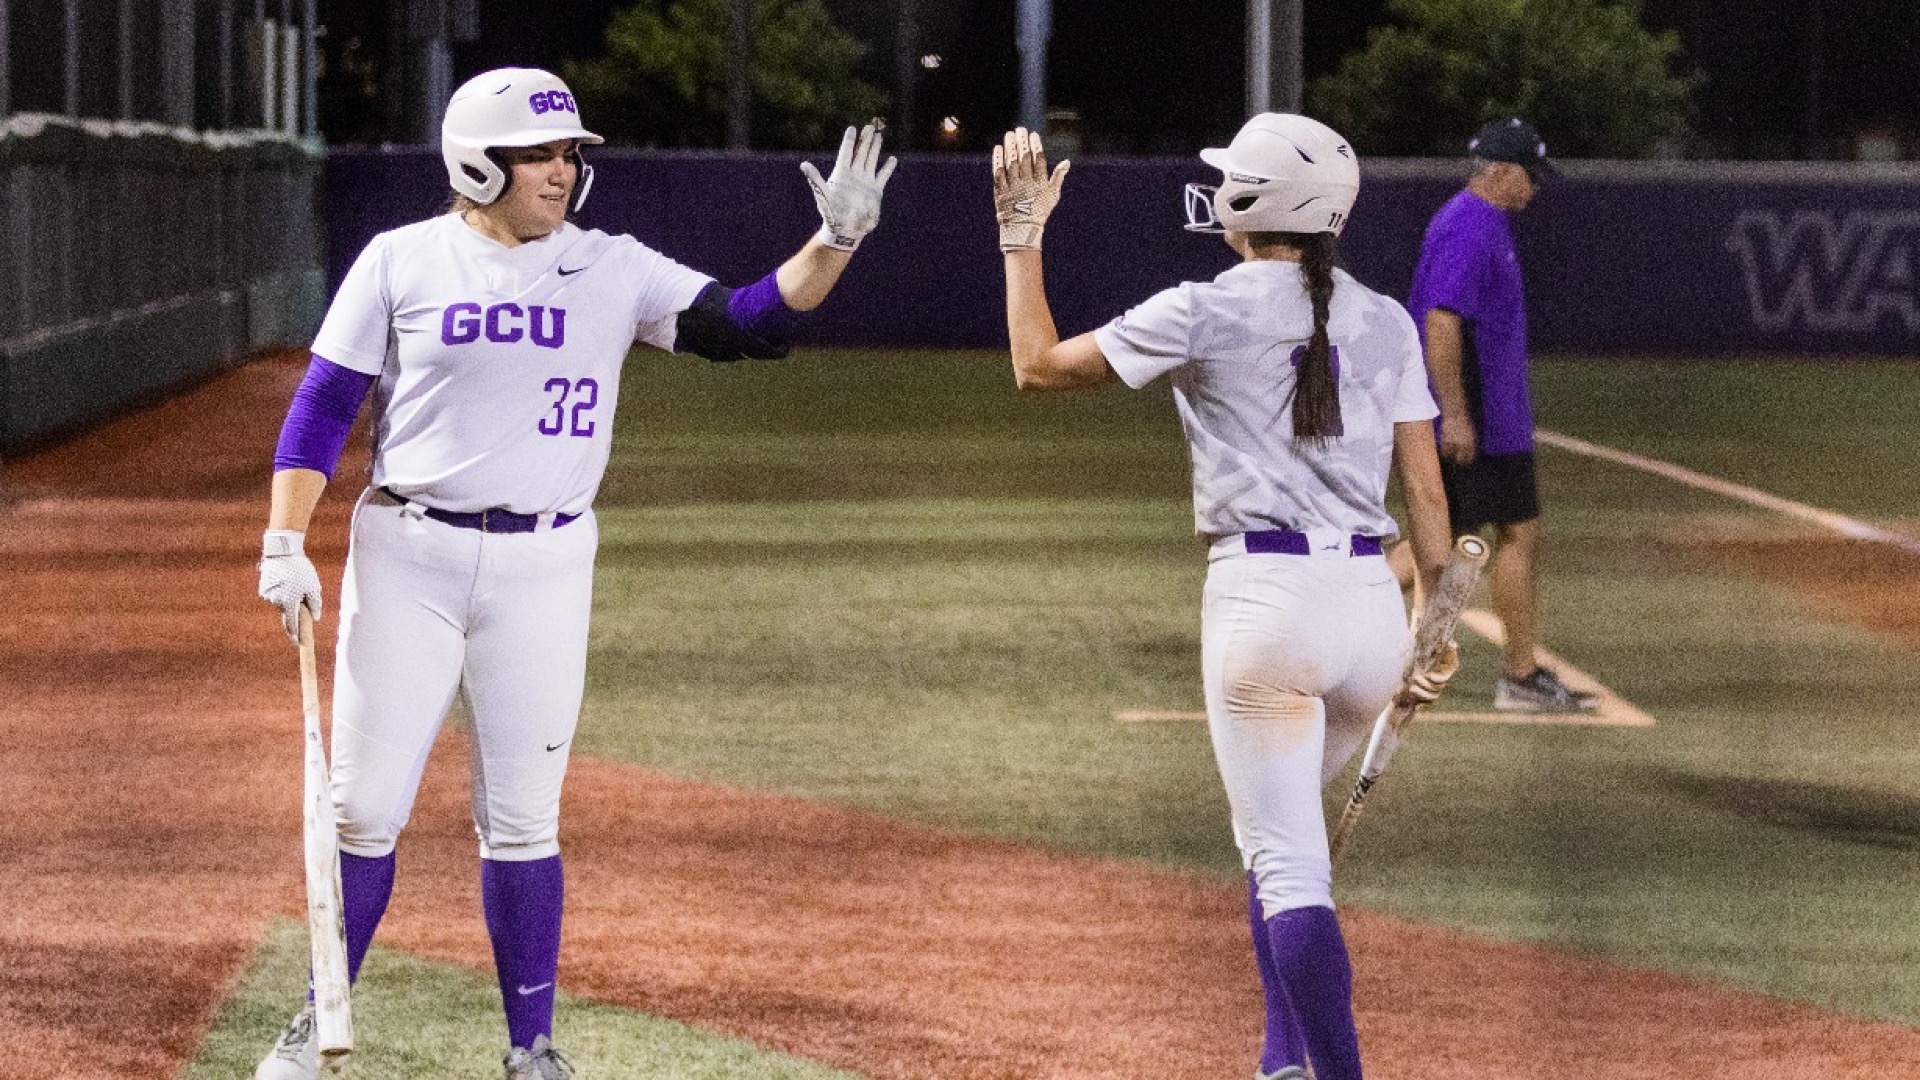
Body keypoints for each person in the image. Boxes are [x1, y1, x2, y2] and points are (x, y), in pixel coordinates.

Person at [252, 67, 895, 1080]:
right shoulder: (401, 261)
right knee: (363, 809)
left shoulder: (611, 266)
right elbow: (323, 407)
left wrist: (838, 240)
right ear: (478, 161)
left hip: (545, 563)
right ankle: (314, 1018)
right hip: (409, 552)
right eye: (543, 154)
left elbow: (750, 327)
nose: (565, 170)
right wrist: (284, 543)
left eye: (570, 154)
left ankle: (531, 1049)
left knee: (523, 821)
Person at [989, 115, 1453, 1080]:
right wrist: (1434, 632)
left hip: (1265, 608)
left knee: (1290, 867)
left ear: (1251, 204)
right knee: (1273, 838)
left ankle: (1333, 1072)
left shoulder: (1202, 307)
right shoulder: (1388, 318)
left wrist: (1021, 236)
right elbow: (1430, 500)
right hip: (1369, 607)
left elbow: (1035, 365)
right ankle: (1282, 1060)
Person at [1399, 117, 1596, 713]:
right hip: (1478, 414)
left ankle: (1507, 671)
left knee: (1483, 535)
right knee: (1461, 540)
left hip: (1495, 413)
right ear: (1503, 170)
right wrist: (1455, 415)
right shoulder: (1470, 225)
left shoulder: (1483, 222)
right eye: (1529, 175)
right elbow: (1440, 321)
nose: (1533, 188)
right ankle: (1511, 673)